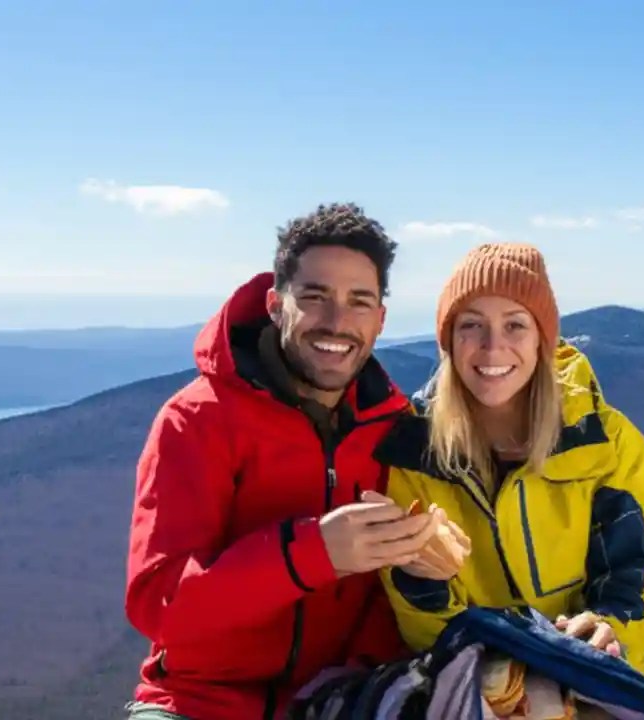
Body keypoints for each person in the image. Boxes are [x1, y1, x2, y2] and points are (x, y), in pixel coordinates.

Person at [123, 203, 440, 720]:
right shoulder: (198, 420)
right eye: (314, 297)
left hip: (343, 700)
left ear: (381, 319)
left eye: (360, 301)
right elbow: (158, 606)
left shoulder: (396, 429)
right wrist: (308, 554)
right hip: (199, 704)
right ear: (275, 304)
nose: (337, 322)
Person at [373, 242, 644, 683]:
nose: (493, 347)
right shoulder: (415, 456)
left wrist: (610, 627)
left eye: (515, 325)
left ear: (541, 341)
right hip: (473, 683)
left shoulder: (605, 443)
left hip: (597, 675)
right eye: (471, 325)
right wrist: (424, 582)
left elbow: (633, 572)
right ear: (450, 343)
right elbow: (427, 634)